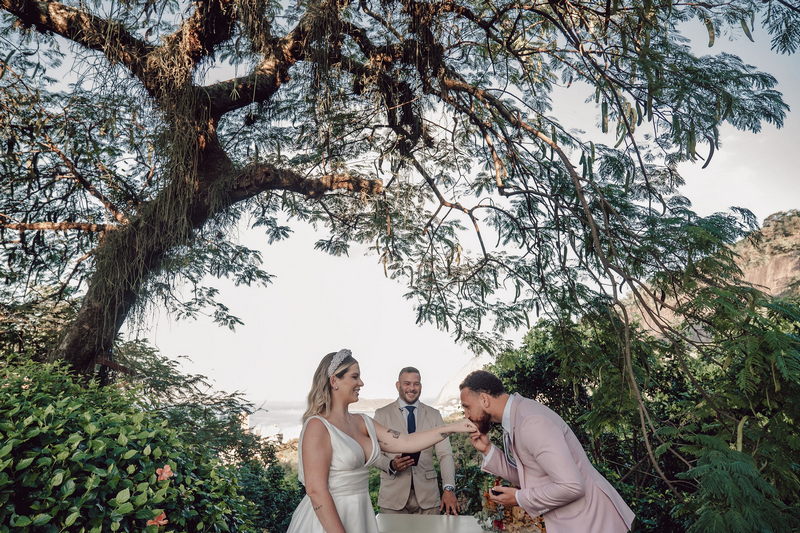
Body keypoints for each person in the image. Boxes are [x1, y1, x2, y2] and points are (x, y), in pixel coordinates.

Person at [286, 349, 477, 533]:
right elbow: (316, 491)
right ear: (334, 380)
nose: (361, 382)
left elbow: (407, 442)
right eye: (354, 376)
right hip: (329, 521)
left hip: (361, 515)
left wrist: (452, 427)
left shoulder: (363, 422)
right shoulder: (317, 426)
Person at [460, 370, 635, 533]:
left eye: (467, 407)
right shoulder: (517, 417)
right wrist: (488, 450)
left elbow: (572, 487)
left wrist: (520, 498)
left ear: (484, 399)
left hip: (592, 522)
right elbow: (532, 476)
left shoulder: (531, 422)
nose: (466, 415)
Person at [373, 367, 459, 515]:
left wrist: (449, 488)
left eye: (416, 384)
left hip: (428, 499)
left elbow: (445, 454)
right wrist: (391, 465)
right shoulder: (382, 414)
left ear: (421, 386)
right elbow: (373, 452)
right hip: (392, 499)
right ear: (398, 385)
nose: (412, 388)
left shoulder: (434, 415)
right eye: (407, 383)